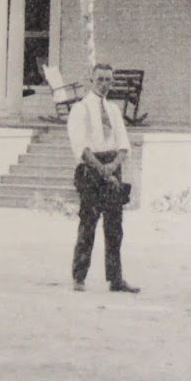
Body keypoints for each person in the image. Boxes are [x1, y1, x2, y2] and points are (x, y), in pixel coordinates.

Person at [68, 63, 139, 294]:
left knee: (114, 226)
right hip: (91, 169)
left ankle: (115, 279)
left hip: (112, 167)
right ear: (91, 80)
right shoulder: (80, 109)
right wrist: (101, 169)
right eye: (100, 79)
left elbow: (123, 144)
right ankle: (79, 277)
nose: (105, 84)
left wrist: (113, 167)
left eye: (109, 80)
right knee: (88, 223)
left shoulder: (114, 110)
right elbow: (82, 147)